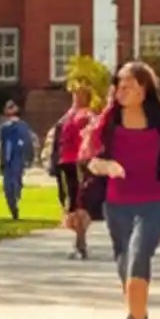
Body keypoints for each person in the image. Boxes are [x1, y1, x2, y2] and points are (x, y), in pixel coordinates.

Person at [81, 62, 160, 319]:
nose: (120, 91)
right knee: (124, 263)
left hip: (153, 201)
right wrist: (105, 165)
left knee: (138, 256)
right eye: (118, 85)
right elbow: (88, 158)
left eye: (127, 85)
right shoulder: (108, 121)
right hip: (117, 202)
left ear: (143, 89)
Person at [52, 85, 97, 259]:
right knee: (72, 204)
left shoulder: (87, 116)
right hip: (67, 162)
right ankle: (79, 242)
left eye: (77, 95)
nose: (74, 97)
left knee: (79, 203)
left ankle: (81, 242)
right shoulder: (71, 115)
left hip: (78, 162)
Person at [0, 100, 37, 220]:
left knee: (15, 184)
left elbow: (30, 142)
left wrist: (29, 157)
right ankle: (13, 206)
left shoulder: (22, 127)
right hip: (7, 161)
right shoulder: (5, 128)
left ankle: (15, 203)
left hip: (17, 159)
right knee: (8, 186)